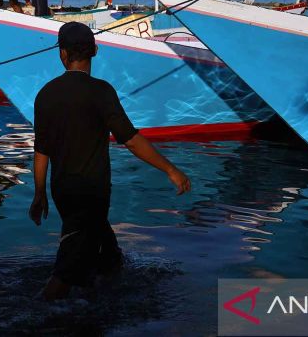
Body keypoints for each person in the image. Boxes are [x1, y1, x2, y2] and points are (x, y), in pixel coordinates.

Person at [29, 22, 191, 301]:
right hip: (90, 192)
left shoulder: (45, 95)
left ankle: (97, 310)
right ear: (95, 50)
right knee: (65, 273)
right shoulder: (101, 91)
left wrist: (39, 193)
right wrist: (171, 169)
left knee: (109, 258)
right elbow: (129, 139)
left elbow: (41, 150)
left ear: (62, 54)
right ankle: (35, 318)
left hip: (63, 191)